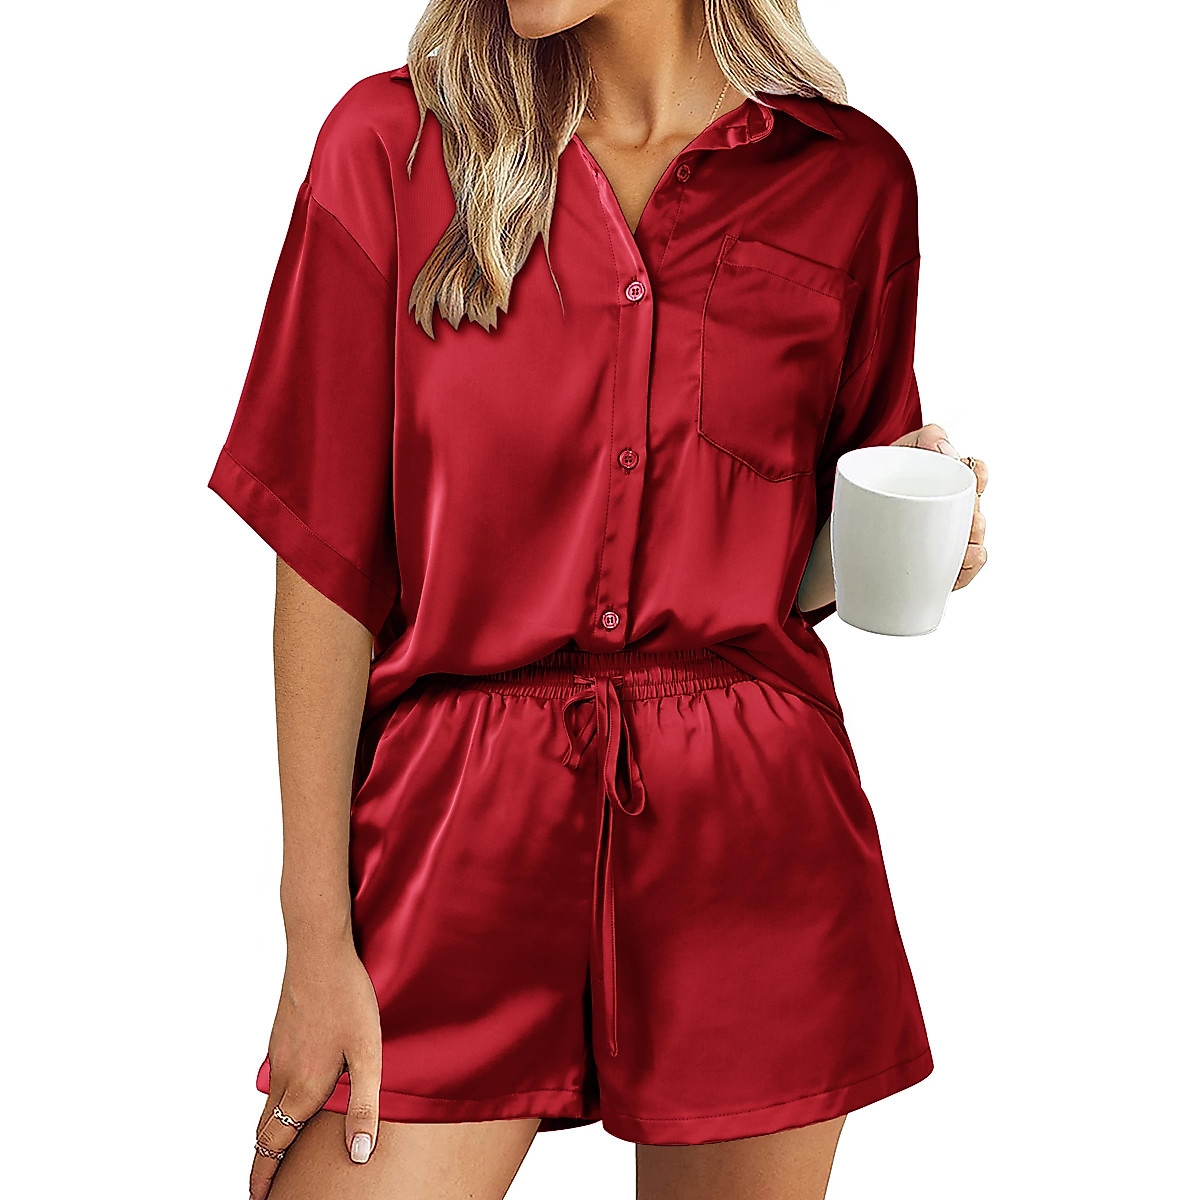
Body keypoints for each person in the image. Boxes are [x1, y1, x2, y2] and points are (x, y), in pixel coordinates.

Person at [208, 2, 989, 1196]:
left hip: (753, 838)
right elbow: (325, 552)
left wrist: (924, 526)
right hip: (454, 825)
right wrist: (314, 936)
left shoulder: (850, 181)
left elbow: (797, 560)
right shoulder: (391, 148)